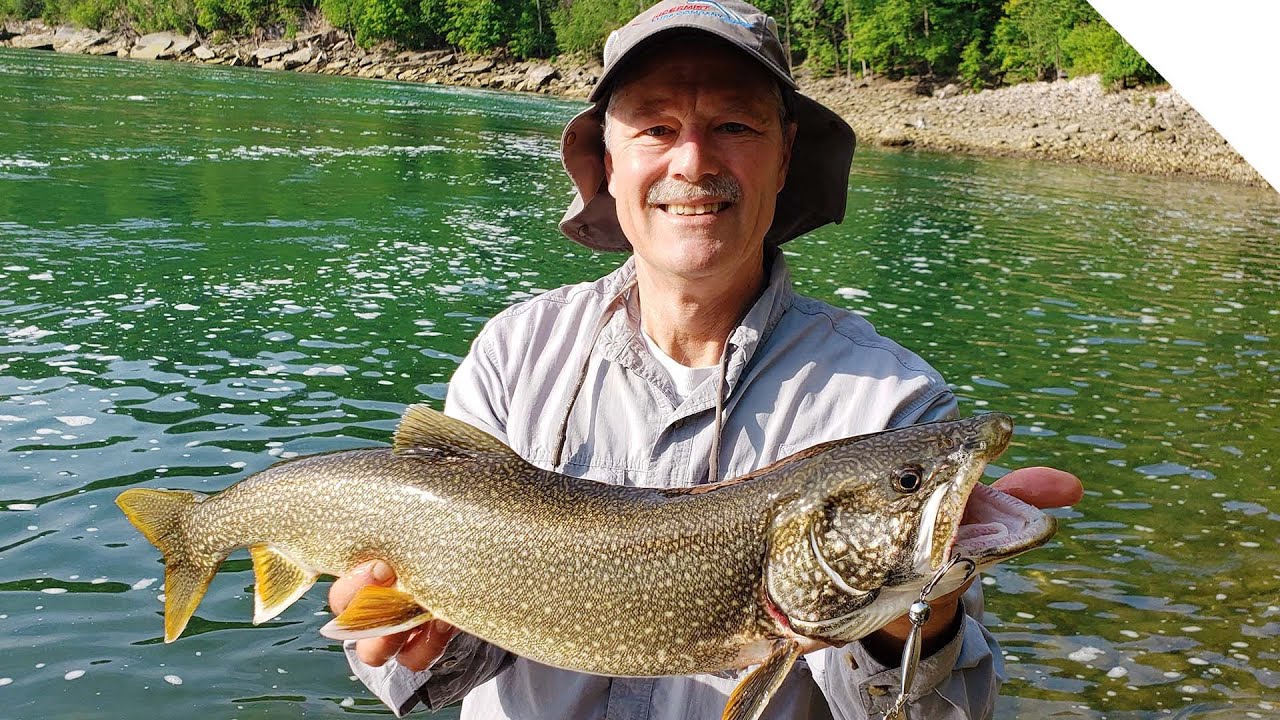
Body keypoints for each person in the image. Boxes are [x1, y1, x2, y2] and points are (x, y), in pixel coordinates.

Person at [330, 1, 1084, 718]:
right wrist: (407, 642)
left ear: (785, 156)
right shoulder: (514, 353)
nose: (693, 161)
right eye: (656, 128)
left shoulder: (891, 404)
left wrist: (921, 611)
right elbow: (418, 677)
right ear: (607, 163)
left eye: (733, 125)